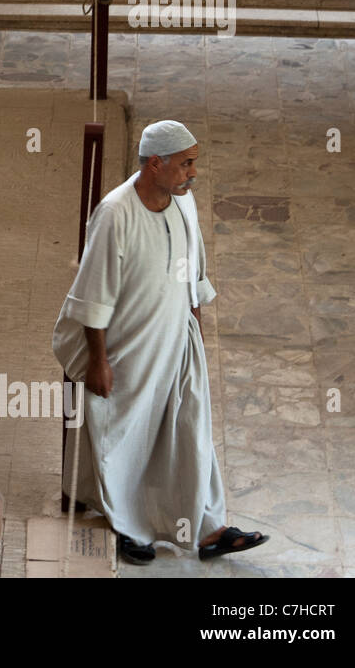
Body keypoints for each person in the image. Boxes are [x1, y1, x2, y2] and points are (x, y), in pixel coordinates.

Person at [53, 120, 268, 565]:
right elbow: (93, 295)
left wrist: (196, 326)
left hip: (178, 340)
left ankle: (211, 529)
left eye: (194, 163)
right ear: (156, 163)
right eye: (187, 164)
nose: (194, 173)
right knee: (126, 442)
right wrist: (98, 361)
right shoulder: (116, 213)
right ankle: (131, 528)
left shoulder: (182, 203)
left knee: (193, 432)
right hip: (128, 350)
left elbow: (194, 273)